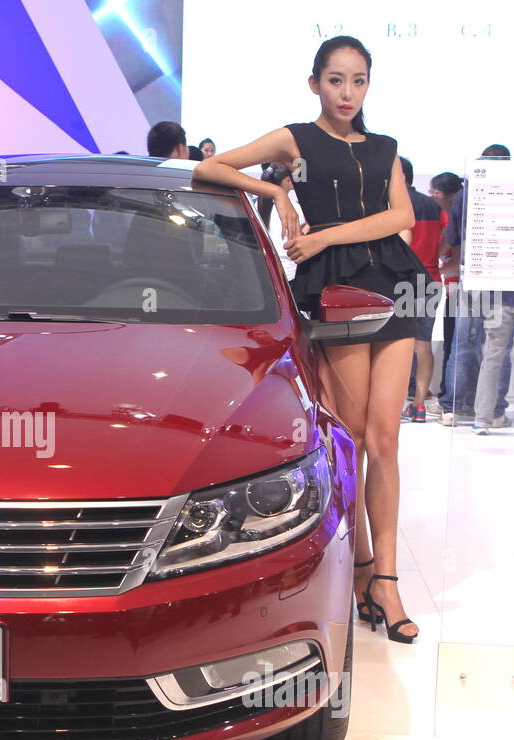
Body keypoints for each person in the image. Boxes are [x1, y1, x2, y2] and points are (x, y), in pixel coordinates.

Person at [193, 35, 424, 642]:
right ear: (315, 82)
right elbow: (208, 167)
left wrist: (322, 237)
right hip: (338, 294)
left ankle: (388, 580)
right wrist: (275, 191)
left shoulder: (385, 148)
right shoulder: (296, 138)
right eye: (336, 80)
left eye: (358, 81)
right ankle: (361, 566)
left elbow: (402, 217)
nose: (347, 93)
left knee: (386, 437)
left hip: (394, 285)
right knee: (351, 437)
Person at [439, 147, 512, 427]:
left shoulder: (466, 193)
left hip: (474, 273)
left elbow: (453, 235)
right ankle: (494, 410)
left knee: (462, 342)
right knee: (498, 344)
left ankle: (453, 407)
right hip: (504, 275)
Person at [400, 155, 445, 421]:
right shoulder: (433, 205)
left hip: (402, 282)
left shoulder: (394, 204)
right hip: (430, 280)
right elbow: (448, 243)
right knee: (422, 344)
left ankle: (395, 405)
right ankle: (418, 405)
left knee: (398, 346)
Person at [427, 170, 462, 415]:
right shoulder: (445, 219)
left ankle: (450, 398)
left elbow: (454, 260)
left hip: (458, 289)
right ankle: (449, 395)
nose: (431, 195)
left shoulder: (454, 222)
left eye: (435, 192)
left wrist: (432, 266)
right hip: (450, 287)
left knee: (454, 344)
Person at [256, 162, 302, 281]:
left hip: (264, 271)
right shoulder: (294, 208)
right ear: (287, 180)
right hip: (289, 273)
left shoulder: (257, 205)